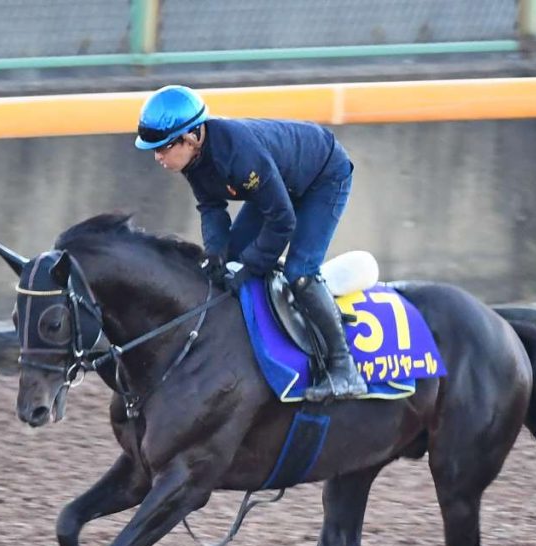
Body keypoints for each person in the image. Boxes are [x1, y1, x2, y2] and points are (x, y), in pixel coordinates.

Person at [134, 84, 368, 402]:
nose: (157, 157)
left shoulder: (239, 156)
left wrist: (250, 267)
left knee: (299, 271)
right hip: (280, 182)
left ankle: (345, 369)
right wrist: (215, 255)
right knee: (228, 262)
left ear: (189, 138)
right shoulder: (194, 158)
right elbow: (211, 208)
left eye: (161, 148)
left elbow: (283, 222)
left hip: (323, 177)